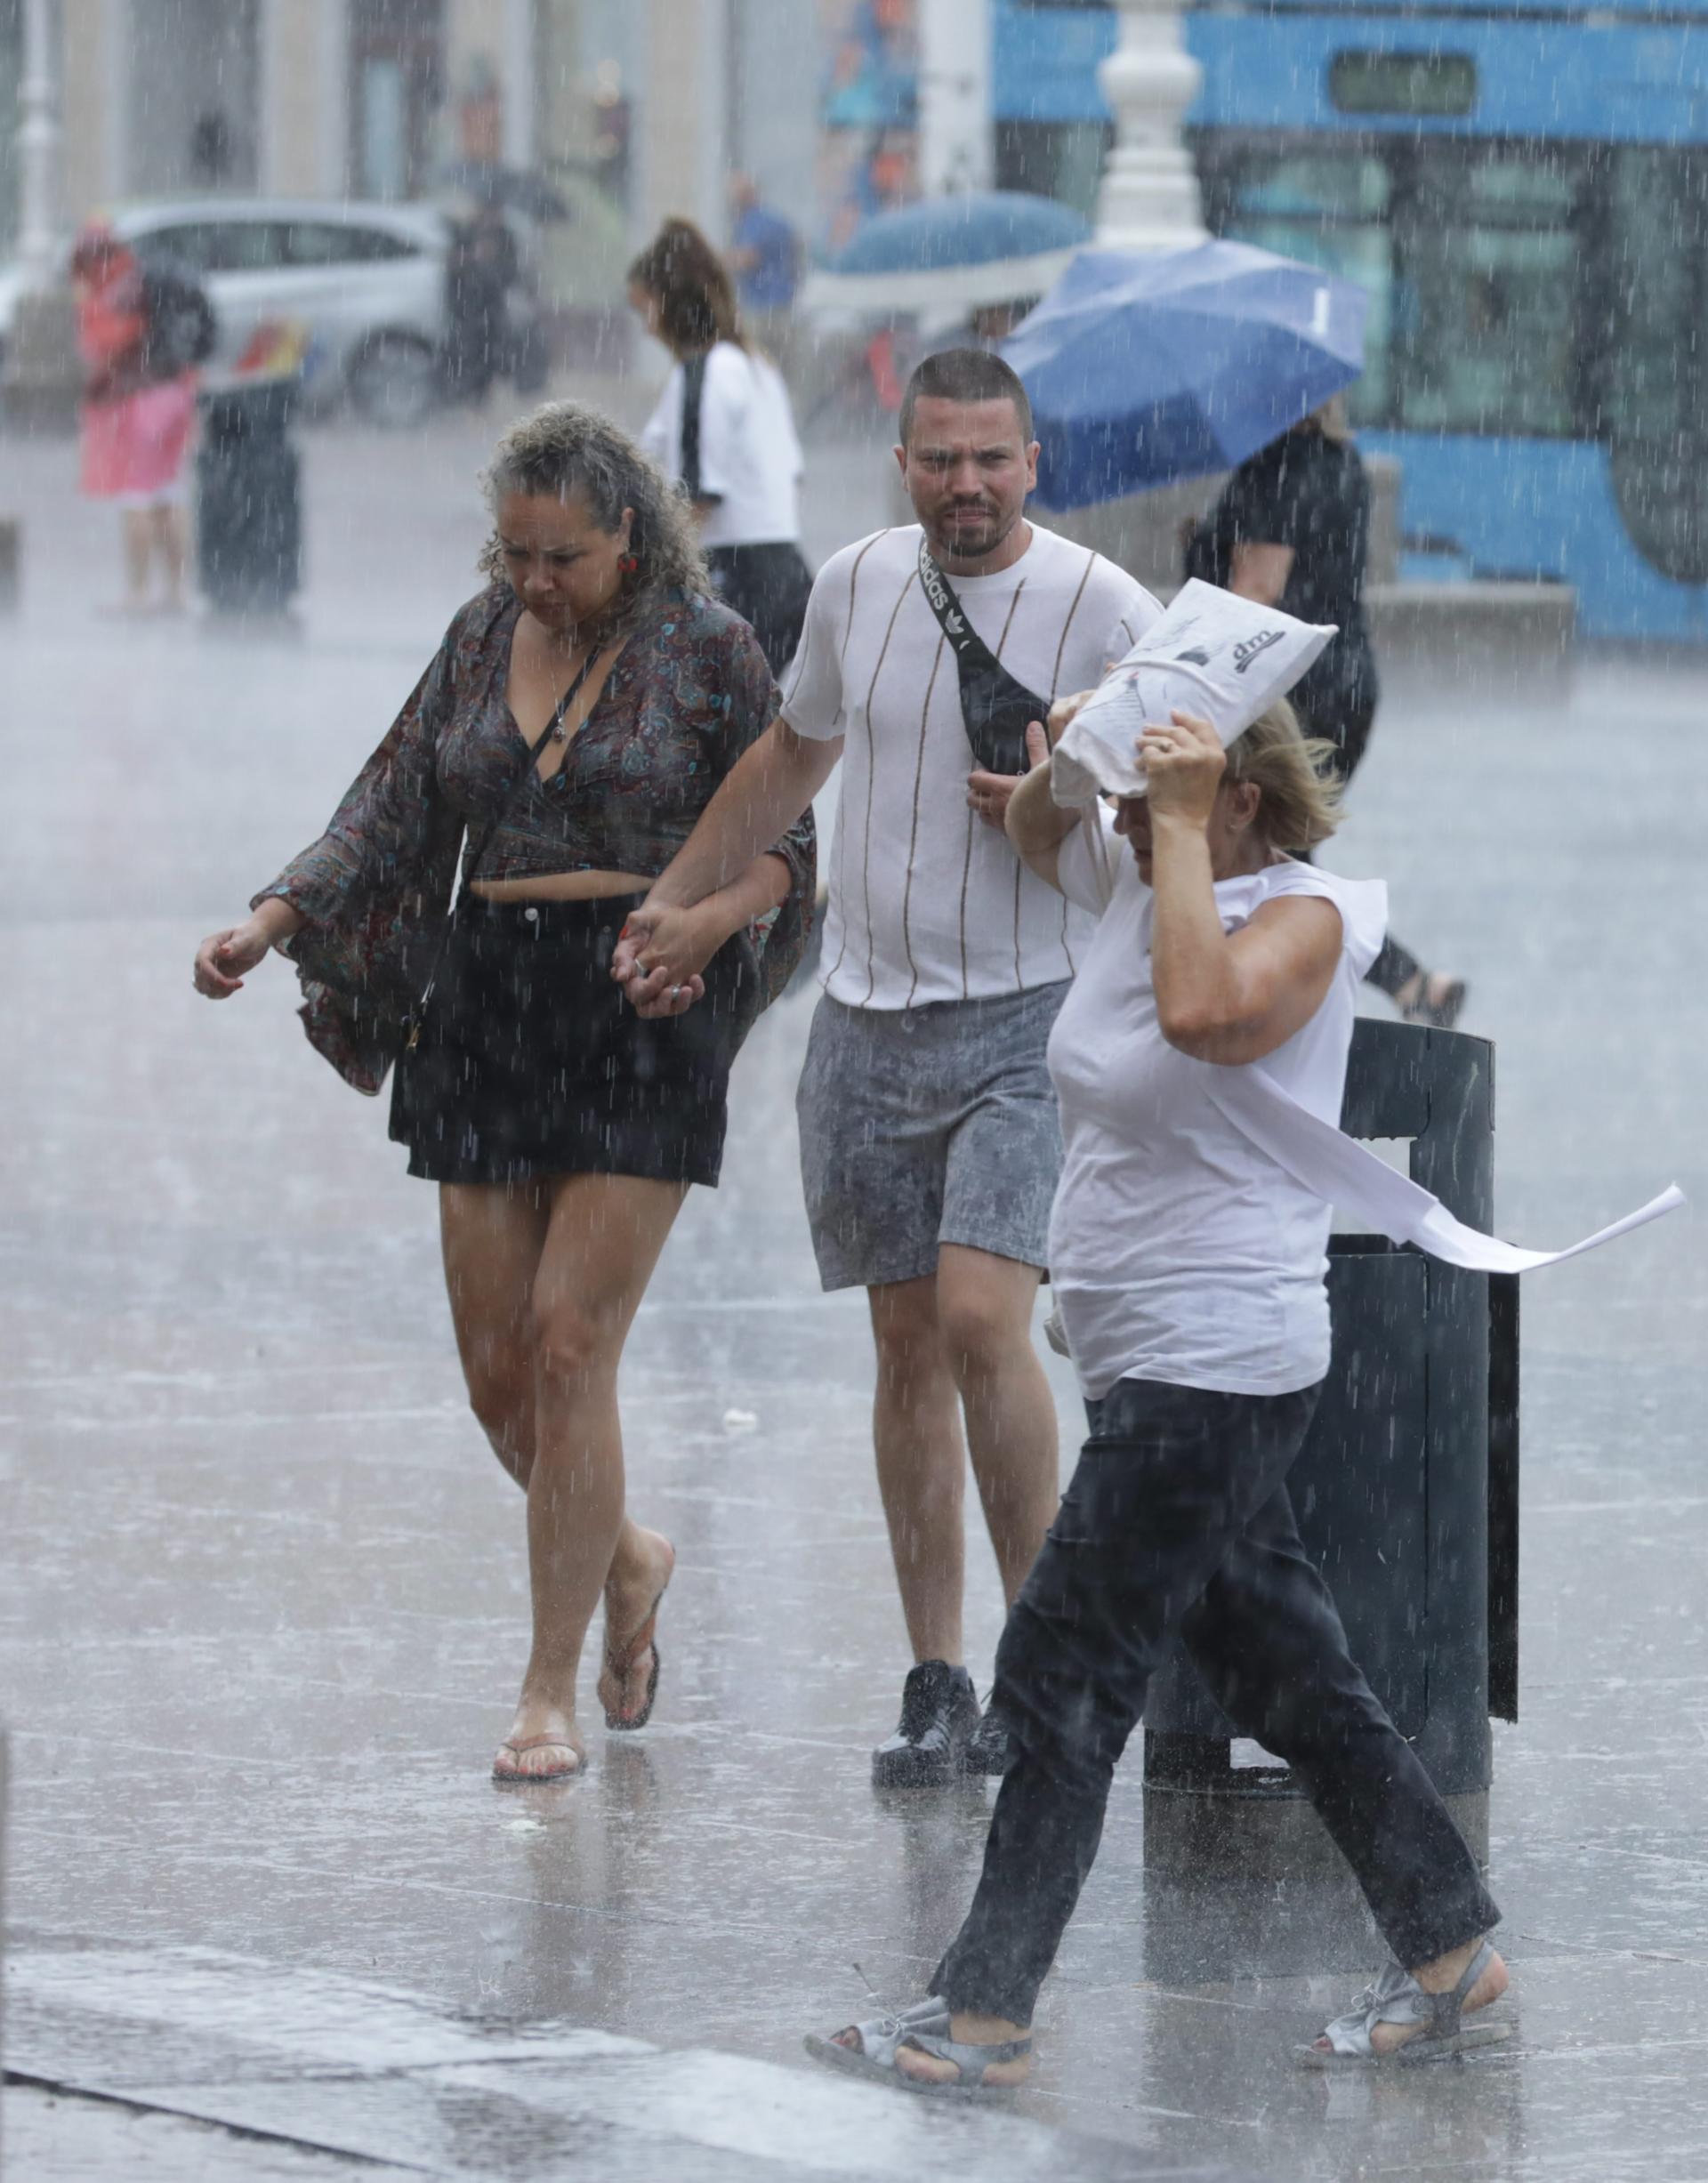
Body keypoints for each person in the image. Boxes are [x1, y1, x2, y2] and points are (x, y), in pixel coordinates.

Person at [804, 694, 1508, 2088]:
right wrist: (1088, 754)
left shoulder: (1310, 916)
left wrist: (1175, 824)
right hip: (1157, 1363)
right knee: (1289, 1673)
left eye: (1157, 794)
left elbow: (1203, 1013)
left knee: (1064, 1669)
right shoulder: (1143, 869)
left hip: (1218, 1364)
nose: (1124, 817)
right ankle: (1452, 1951)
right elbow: (1027, 821)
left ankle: (985, 2012)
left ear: (1239, 794)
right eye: (1130, 798)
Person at [191, 403, 814, 1784]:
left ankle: (550, 1690)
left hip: (642, 1000)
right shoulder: (480, 635)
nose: (537, 581)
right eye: (518, 552)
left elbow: (789, 846)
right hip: (486, 999)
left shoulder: (710, 652)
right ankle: (631, 1554)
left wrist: (709, 932)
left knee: (569, 1341)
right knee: (496, 1379)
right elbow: (392, 800)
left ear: (631, 537)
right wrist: (272, 919)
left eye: (566, 558)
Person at [612, 348, 1161, 1786]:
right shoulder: (855, 582)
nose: (967, 485)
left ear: (1034, 463)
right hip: (863, 1019)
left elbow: (1174, 832)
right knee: (906, 1345)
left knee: (987, 1321)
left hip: (1025, 1020)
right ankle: (939, 1676)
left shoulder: (1108, 609)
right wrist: (679, 892)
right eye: (941, 459)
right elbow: (793, 753)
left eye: (993, 458)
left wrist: (1059, 806)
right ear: (903, 463)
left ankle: (1048, 1674)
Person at [1185, 404, 1467, 1027]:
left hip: (1290, 695)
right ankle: (1410, 983)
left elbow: (1258, 590)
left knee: (1264, 858)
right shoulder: (1344, 462)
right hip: (1347, 681)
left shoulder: (1272, 469)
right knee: (1279, 854)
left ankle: (1286, 1008)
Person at [628, 218, 812, 677]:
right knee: (742, 733)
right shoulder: (757, 366)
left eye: (645, 311)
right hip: (787, 577)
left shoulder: (704, 374)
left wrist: (639, 579)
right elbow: (787, 476)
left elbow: (698, 497)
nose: (647, 330)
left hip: (736, 579)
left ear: (669, 305)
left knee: (705, 734)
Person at [71, 224, 213, 616]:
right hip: (177, 393)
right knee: (170, 493)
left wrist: (87, 310)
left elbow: (103, 345)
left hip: (140, 400)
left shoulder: (116, 291)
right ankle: (178, 592)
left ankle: (138, 593)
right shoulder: (147, 277)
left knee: (137, 496)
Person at [726, 173, 802, 377]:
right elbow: (797, 250)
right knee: (783, 370)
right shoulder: (776, 221)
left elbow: (748, 258)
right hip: (784, 305)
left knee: (759, 368)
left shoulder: (753, 222)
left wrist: (714, 261)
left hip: (762, 310)